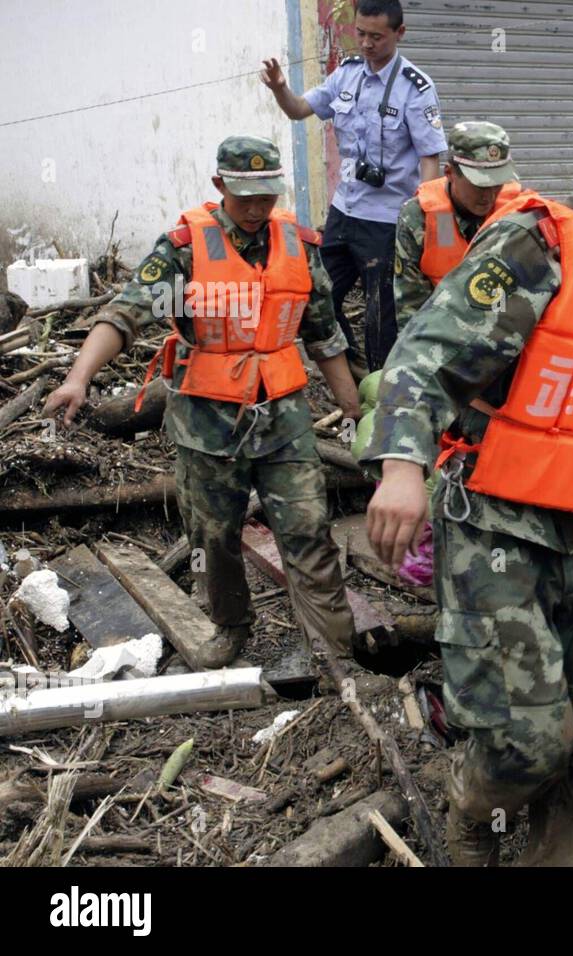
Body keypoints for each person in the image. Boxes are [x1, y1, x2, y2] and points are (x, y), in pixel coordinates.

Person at [360, 82, 573, 866]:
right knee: (527, 742)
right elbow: (422, 358)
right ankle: (468, 804)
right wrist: (401, 468)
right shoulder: (534, 244)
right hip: (495, 516)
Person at [44, 136, 360, 670]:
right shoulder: (186, 248)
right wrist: (79, 378)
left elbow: (325, 335)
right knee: (213, 537)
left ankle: (334, 651)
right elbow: (125, 315)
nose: (258, 208)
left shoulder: (299, 244)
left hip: (283, 419)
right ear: (219, 187)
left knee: (308, 528)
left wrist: (353, 405)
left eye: (267, 195)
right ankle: (229, 628)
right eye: (245, 197)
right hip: (207, 424)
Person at [261, 0, 447, 372]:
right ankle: (351, 369)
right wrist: (280, 88)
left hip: (387, 218)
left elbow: (431, 159)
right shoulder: (346, 74)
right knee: (319, 297)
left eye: (376, 36)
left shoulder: (416, 88)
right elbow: (299, 110)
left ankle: (380, 388)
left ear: (400, 33)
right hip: (344, 210)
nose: (366, 43)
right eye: (360, 34)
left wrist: (423, 219)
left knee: (381, 317)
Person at [393, 121, 524, 332]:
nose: (489, 195)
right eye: (479, 185)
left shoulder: (519, 211)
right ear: (450, 173)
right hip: (443, 332)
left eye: (497, 183)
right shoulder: (418, 218)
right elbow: (410, 307)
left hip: (505, 333)